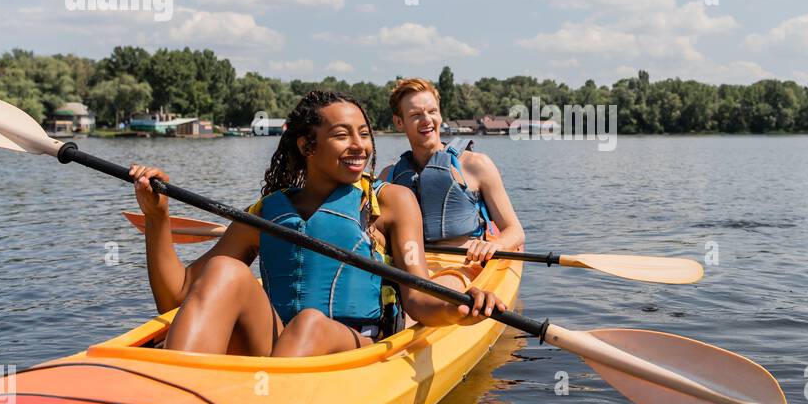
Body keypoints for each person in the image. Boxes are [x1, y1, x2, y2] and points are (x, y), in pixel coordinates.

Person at [129, 89, 505, 357]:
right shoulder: (266, 212)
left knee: (309, 323)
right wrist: (157, 217)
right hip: (279, 348)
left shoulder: (389, 201)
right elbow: (175, 299)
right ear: (308, 147)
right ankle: (178, 393)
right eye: (342, 135)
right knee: (225, 271)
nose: (359, 145)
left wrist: (458, 305)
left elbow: (419, 297)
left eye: (364, 134)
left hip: (354, 349)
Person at [382, 78, 525, 264]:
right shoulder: (389, 176)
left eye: (432, 111)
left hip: (463, 267)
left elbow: (514, 230)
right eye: (416, 114)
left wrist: (497, 245)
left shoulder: (476, 165)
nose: (427, 120)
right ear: (399, 122)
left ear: (440, 115)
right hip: (409, 269)